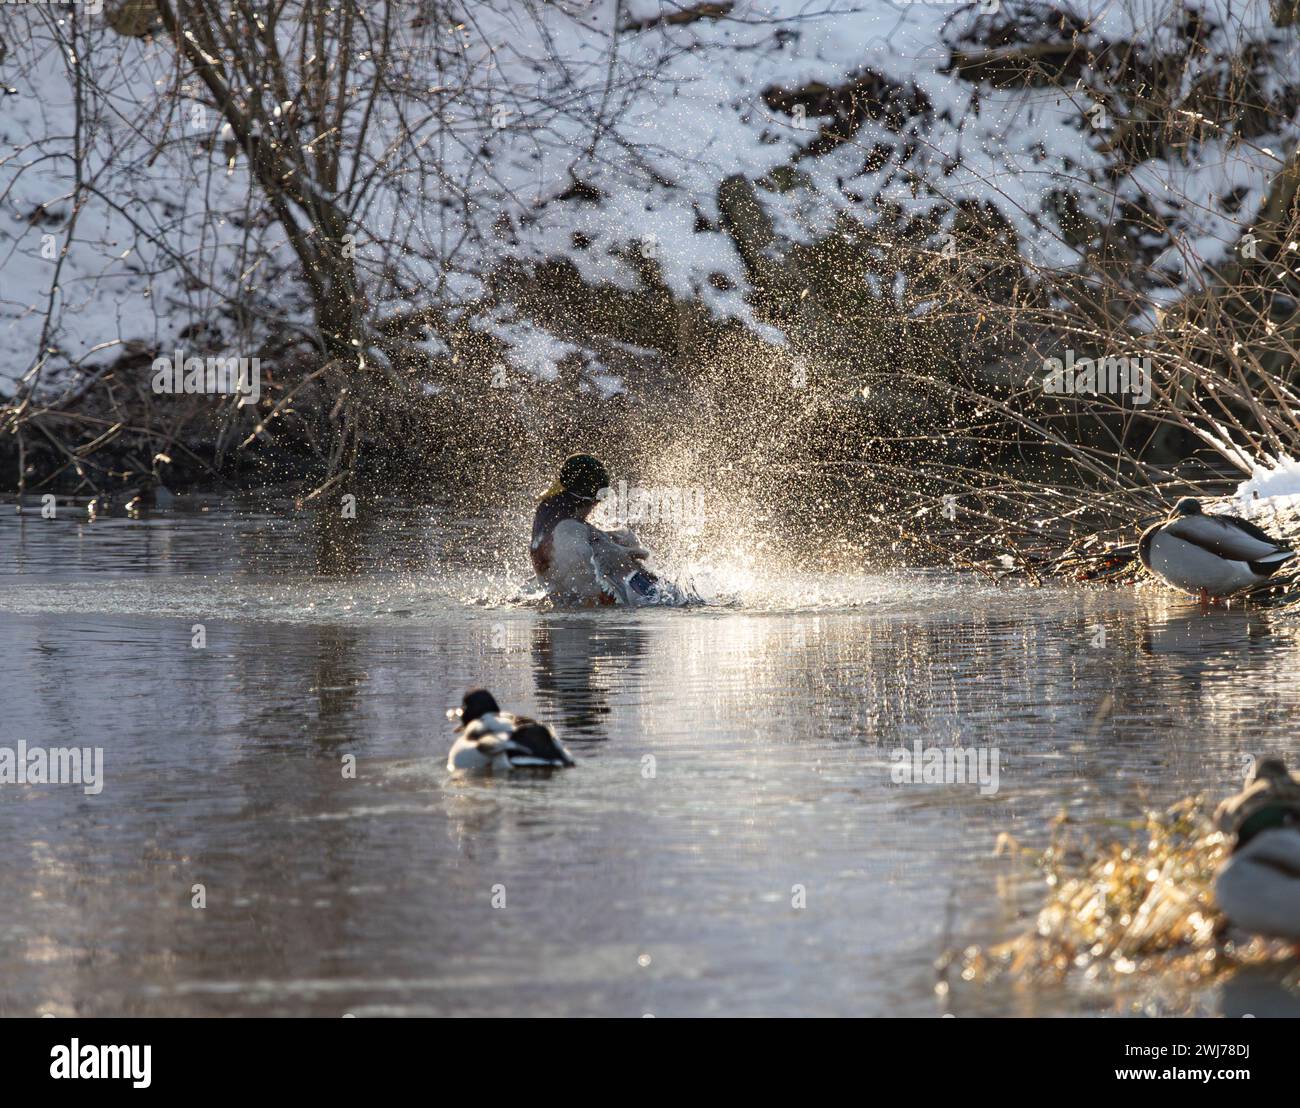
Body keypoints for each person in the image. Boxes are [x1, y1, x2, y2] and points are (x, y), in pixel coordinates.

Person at [530, 453, 665, 605]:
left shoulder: (546, 512)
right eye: (598, 500)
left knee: (623, 539)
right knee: (626, 542)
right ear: (590, 498)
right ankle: (660, 592)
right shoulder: (571, 532)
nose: (595, 506)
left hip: (565, 609)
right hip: (588, 616)